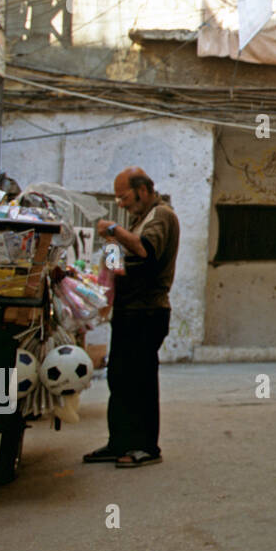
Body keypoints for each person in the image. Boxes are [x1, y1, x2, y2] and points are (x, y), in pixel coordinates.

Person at [83, 168, 180, 468]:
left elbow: (145, 250)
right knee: (120, 378)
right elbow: (122, 266)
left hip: (147, 311)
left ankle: (146, 446)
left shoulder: (161, 215)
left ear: (142, 189)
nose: (121, 204)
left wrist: (112, 230)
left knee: (141, 379)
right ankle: (120, 442)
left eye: (124, 197)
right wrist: (109, 251)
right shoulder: (139, 220)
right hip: (128, 309)